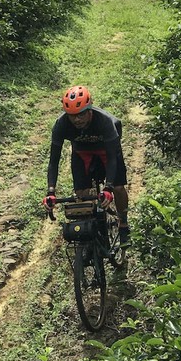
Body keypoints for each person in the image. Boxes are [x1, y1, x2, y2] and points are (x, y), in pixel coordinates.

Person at [43, 85, 130, 243]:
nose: (77, 119)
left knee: (118, 187)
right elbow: (54, 160)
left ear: (90, 110)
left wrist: (109, 187)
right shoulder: (61, 124)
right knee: (81, 194)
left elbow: (112, 158)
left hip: (107, 151)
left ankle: (123, 223)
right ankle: (91, 231)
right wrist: (51, 191)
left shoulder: (107, 122)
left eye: (81, 114)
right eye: (72, 116)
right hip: (82, 153)